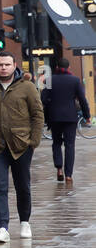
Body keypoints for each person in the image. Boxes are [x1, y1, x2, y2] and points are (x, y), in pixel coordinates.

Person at [0, 50, 45, 243]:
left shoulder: (27, 87)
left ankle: (25, 222)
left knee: (23, 185)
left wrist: (34, 141)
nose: (3, 68)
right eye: (0, 64)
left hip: (21, 144)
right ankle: (2, 228)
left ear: (14, 65)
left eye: (7, 64)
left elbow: (37, 115)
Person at [42, 56, 91, 187]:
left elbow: (43, 99)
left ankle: (59, 168)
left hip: (55, 117)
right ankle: (68, 174)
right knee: (70, 145)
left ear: (57, 67)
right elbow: (82, 99)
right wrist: (87, 116)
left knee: (56, 143)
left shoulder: (49, 80)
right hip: (70, 117)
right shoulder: (75, 80)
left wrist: (48, 112)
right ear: (69, 68)